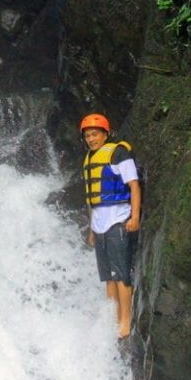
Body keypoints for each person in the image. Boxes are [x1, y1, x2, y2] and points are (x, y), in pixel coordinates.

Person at [80, 113, 141, 339]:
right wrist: (91, 230)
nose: (91, 139)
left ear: (105, 134)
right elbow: (91, 200)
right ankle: (114, 319)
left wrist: (134, 217)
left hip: (118, 219)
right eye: (87, 136)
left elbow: (134, 186)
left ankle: (126, 321)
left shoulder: (118, 153)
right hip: (99, 224)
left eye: (95, 134)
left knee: (121, 275)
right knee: (108, 276)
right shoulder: (89, 158)